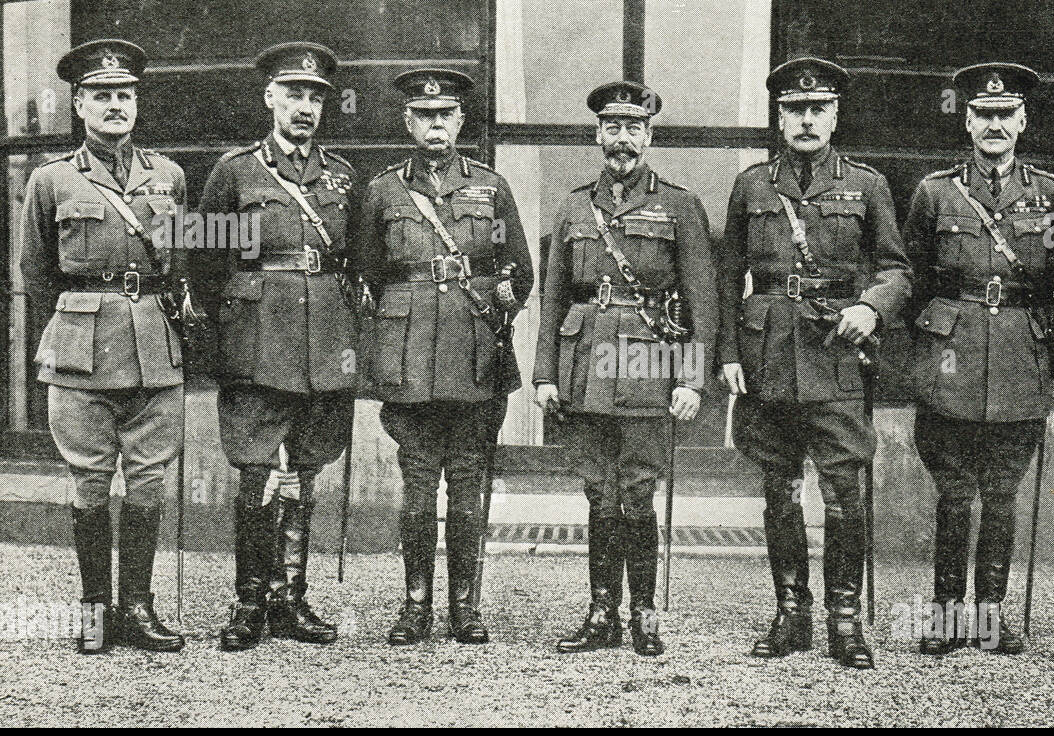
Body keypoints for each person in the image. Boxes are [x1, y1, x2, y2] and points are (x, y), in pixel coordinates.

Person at [716, 58, 912, 669]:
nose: (806, 119)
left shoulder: (867, 184)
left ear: (834, 116)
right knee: (778, 489)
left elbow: (898, 269)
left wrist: (872, 309)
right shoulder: (752, 186)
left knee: (844, 492)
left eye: (817, 109)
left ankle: (845, 621)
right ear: (779, 117)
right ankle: (790, 614)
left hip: (836, 353)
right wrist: (725, 354)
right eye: (795, 110)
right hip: (767, 352)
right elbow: (726, 280)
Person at [533, 80, 717, 656]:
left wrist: (690, 377)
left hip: (646, 361)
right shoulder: (573, 205)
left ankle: (643, 613)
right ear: (598, 135)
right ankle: (600, 612)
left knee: (637, 493)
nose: (623, 140)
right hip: (585, 363)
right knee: (597, 493)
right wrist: (544, 374)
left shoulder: (681, 206)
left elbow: (701, 299)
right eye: (612, 128)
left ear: (649, 136)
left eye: (633, 128)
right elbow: (553, 298)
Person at [351, 68, 533, 645]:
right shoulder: (383, 192)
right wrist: (391, 337)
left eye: (445, 115)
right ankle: (414, 607)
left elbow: (519, 272)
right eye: (423, 116)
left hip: (475, 356)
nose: (435, 124)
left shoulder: (490, 187)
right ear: (409, 122)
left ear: (459, 122)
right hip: (410, 362)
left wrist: (494, 315)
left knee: (468, 484)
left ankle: (465, 608)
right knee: (417, 488)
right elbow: (366, 277)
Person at [191, 42, 362, 651]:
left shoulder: (341, 176)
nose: (305, 106)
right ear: (269, 97)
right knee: (257, 474)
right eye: (293, 93)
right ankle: (248, 603)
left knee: (306, 471)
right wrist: (221, 343)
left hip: (324, 346)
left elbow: (356, 263)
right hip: (257, 344)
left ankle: (291, 598)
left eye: (315, 96)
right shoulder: (235, 172)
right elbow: (203, 264)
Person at [21, 39, 188, 653]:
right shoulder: (51, 179)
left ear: (137, 103)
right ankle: (96, 614)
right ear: (79, 105)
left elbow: (180, 259)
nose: (115, 105)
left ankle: (137, 608)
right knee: (89, 482)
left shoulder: (167, 175)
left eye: (125, 95)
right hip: (81, 350)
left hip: (153, 345)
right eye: (101, 96)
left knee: (148, 481)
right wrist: (72, 323)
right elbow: (36, 273)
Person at [903, 63, 1054, 655]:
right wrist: (926, 349)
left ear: (1023, 122)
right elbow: (914, 277)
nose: (995, 125)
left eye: (1006, 115)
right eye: (984, 115)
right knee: (954, 489)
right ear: (968, 122)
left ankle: (992, 611)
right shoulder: (935, 191)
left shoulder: (1051, 194)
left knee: (1002, 489)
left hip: (1018, 354)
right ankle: (950, 612)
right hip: (951, 349)